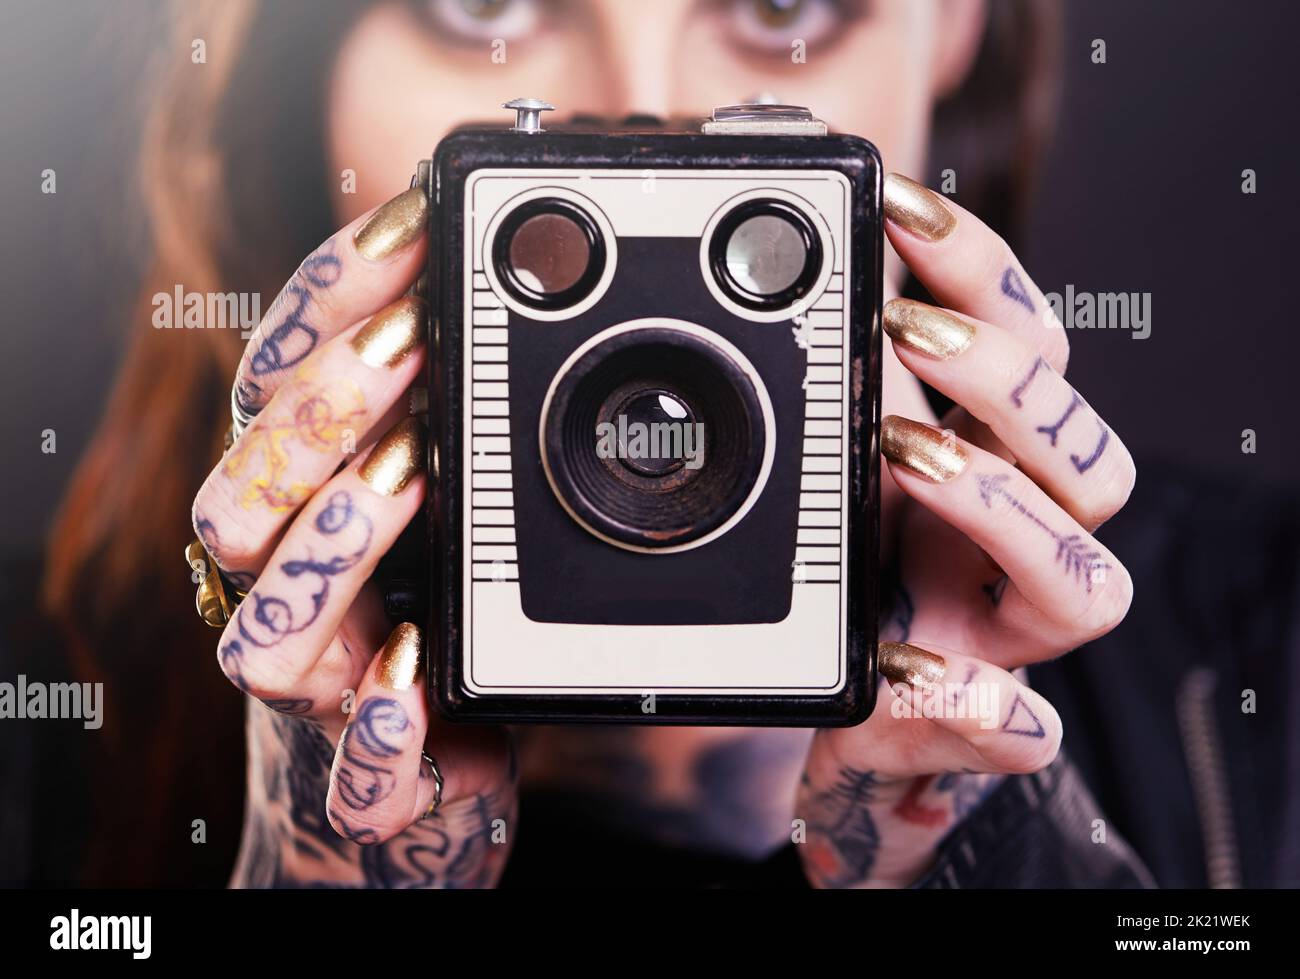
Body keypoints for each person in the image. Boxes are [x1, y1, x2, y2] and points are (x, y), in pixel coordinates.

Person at [38, 0, 1295, 889]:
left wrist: (983, 847)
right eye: (484, 5)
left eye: (777, 4)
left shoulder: (1261, 645)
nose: (647, 112)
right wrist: (307, 876)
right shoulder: (42, 712)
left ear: (952, 24)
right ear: (308, 61)